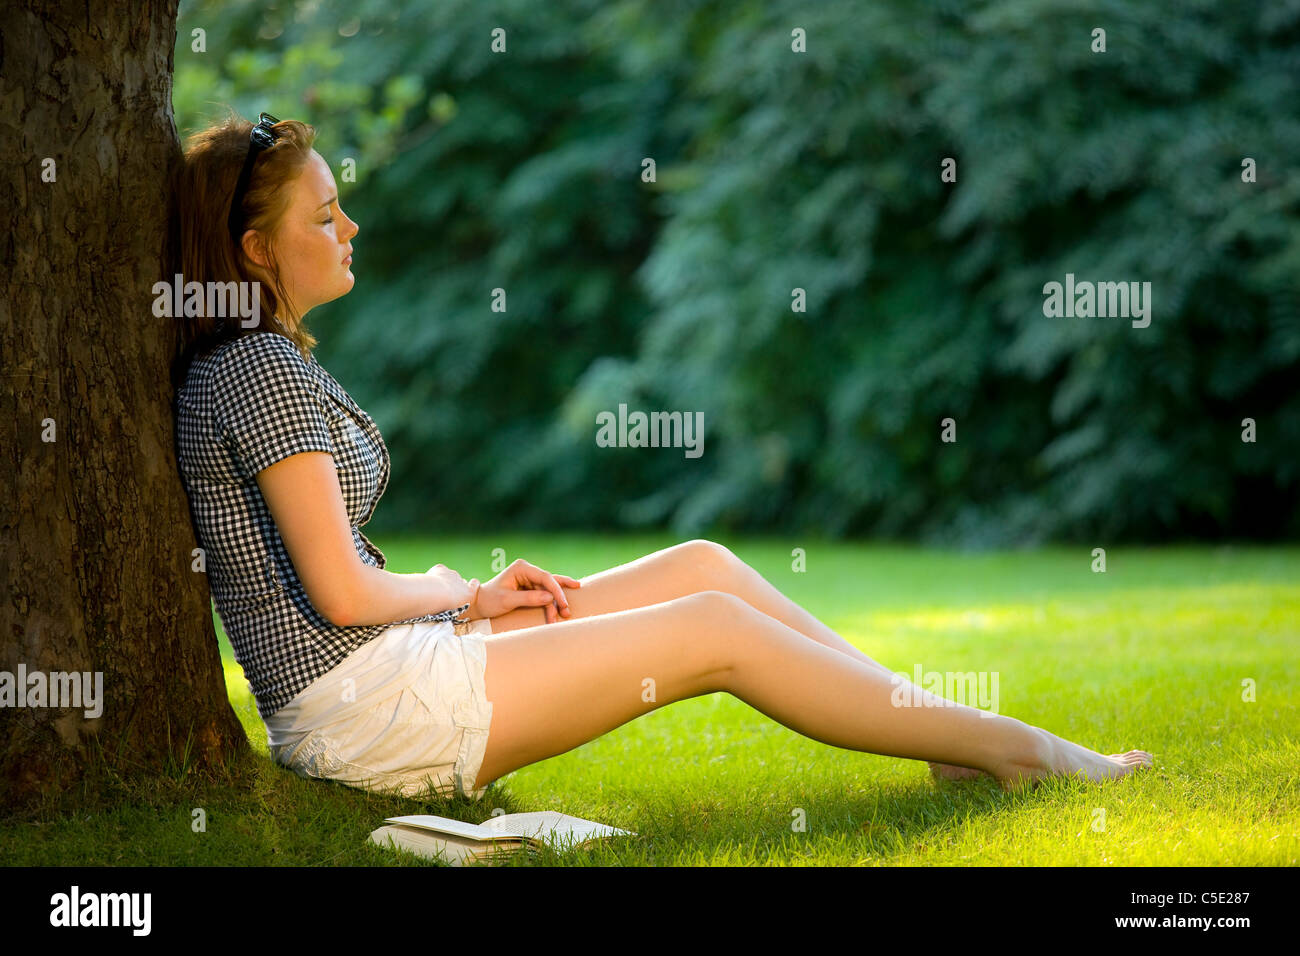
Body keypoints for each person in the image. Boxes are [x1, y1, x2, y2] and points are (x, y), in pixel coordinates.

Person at [171, 111, 1153, 802]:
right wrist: (462, 592)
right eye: (322, 215)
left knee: (701, 565)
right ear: (256, 250)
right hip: (366, 705)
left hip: (394, 665)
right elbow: (340, 594)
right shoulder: (256, 368)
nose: (350, 227)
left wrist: (468, 600)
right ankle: (1022, 751)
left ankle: (943, 737)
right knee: (713, 627)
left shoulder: (259, 360)